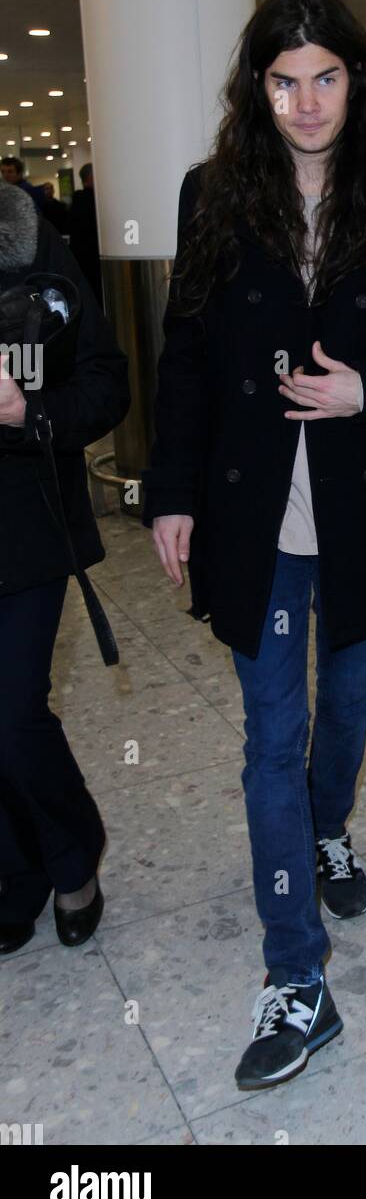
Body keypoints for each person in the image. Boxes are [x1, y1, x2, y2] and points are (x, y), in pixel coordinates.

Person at [142, 0, 366, 1091]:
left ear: (356, 82)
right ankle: (298, 977)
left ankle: (331, 829)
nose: (305, 100)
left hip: (361, 502)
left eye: (325, 76)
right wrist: (169, 490)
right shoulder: (214, 194)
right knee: (267, 738)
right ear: (257, 90)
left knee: (353, 701)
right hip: (252, 513)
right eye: (283, 81)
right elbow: (185, 349)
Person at [0, 181, 129, 954]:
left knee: (13, 717)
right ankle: (15, 872)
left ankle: (72, 852)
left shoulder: (29, 242)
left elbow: (105, 381)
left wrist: (26, 415)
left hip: (23, 525)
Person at [68, 163, 102, 304]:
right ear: (91, 178)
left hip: (82, 258)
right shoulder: (94, 200)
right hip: (92, 258)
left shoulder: (78, 200)